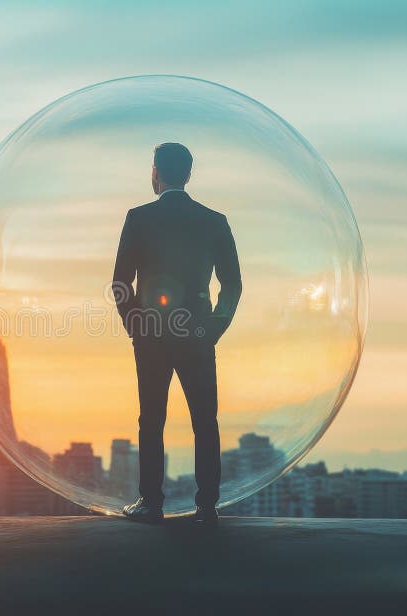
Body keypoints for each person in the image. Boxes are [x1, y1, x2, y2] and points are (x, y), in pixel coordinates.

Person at [112, 143, 242, 525]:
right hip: (198, 336)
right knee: (205, 420)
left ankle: (151, 504)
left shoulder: (138, 218)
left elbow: (121, 284)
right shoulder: (214, 220)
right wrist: (212, 329)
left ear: (156, 173)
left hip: (150, 337)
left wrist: (137, 325)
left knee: (151, 419)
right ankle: (206, 506)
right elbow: (232, 285)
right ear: (188, 174)